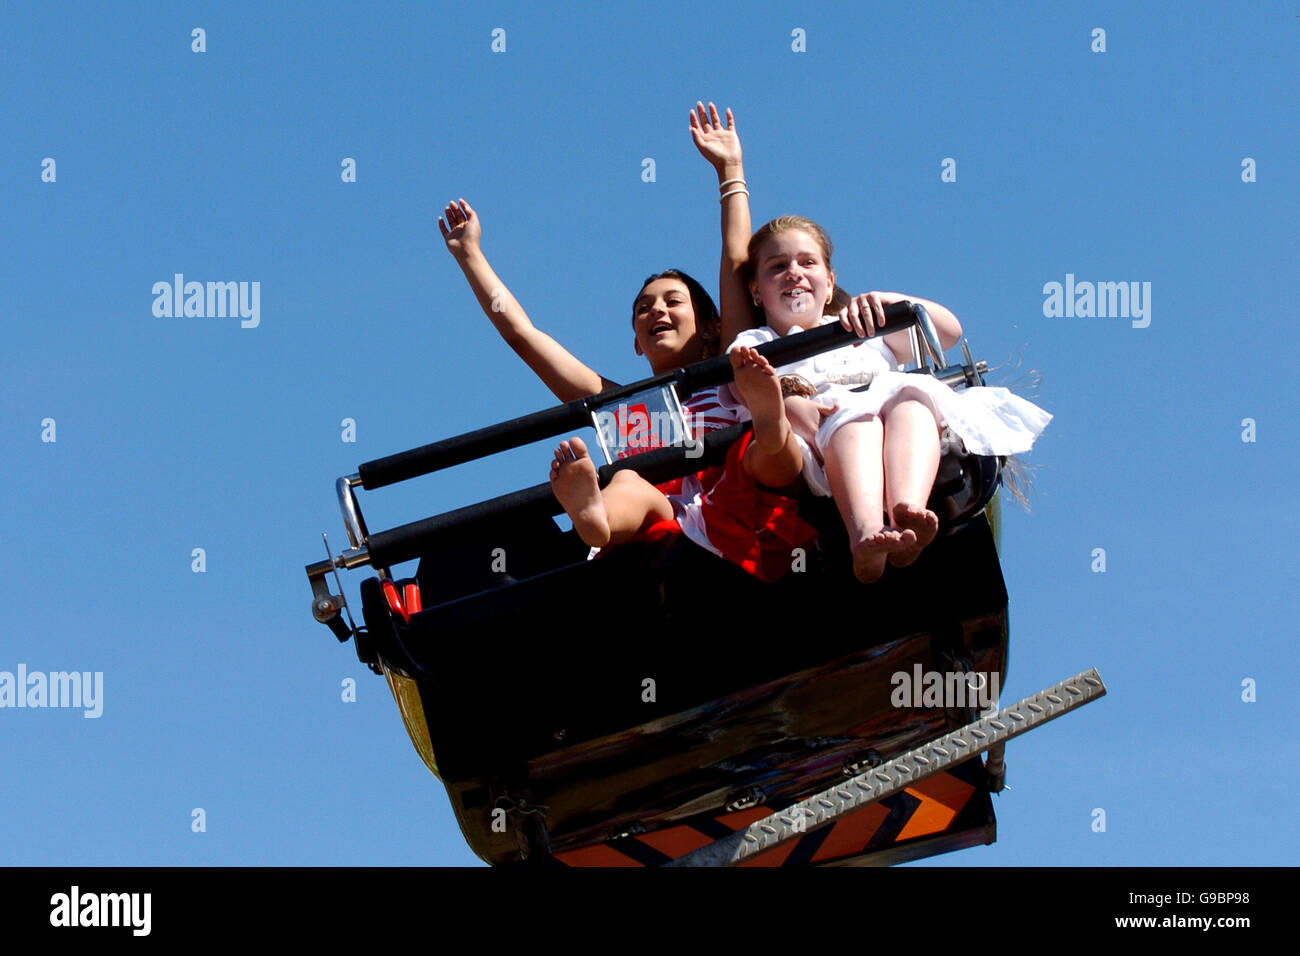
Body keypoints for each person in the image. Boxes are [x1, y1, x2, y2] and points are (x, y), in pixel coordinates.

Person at [688, 102, 1049, 583]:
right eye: (777, 267)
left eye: (807, 263)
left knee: (914, 397)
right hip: (829, 435)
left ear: (830, 277)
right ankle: (865, 534)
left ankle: (907, 509)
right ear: (756, 289)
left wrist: (886, 303)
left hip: (889, 414)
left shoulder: (862, 326)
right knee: (852, 418)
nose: (793, 272)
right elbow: (748, 384)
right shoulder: (762, 339)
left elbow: (946, 329)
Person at [437, 198, 816, 580]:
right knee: (628, 481)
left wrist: (729, 170)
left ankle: (769, 417)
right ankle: (597, 519)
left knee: (764, 443)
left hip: (740, 489)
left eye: (673, 301)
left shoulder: (733, 367)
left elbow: (735, 258)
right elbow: (524, 337)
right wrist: (470, 255)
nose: (656, 311)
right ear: (637, 342)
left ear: (711, 325)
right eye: (643, 308)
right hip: (662, 512)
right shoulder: (622, 403)